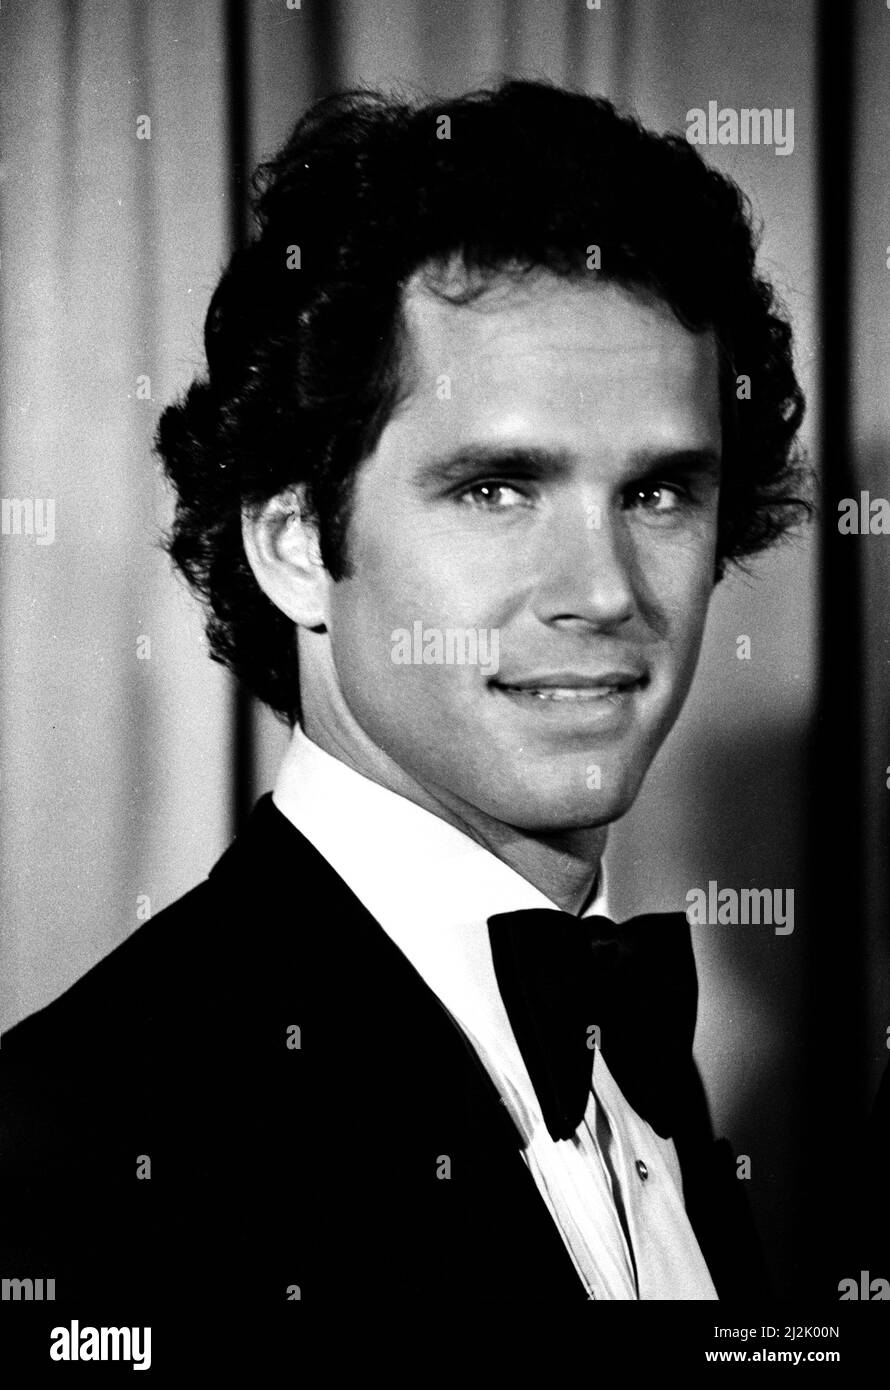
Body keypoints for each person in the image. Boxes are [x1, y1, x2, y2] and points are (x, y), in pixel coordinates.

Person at [0, 80, 812, 1324]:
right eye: (495, 489)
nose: (603, 591)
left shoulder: (641, 1059)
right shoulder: (78, 1144)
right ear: (290, 545)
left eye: (655, 493)